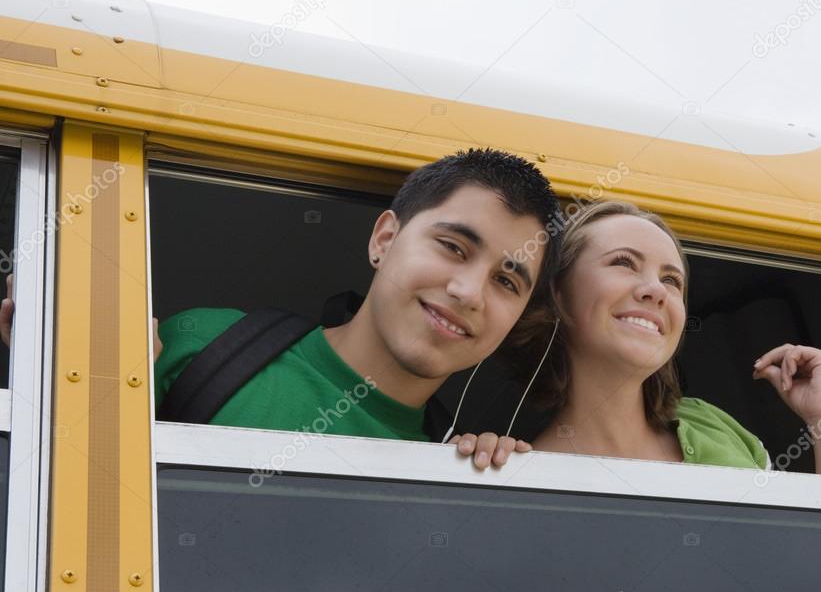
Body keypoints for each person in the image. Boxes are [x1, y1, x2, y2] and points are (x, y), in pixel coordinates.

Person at [3, 148, 563, 470]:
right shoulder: (207, 346)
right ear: (384, 240)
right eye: (453, 247)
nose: (469, 291)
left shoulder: (457, 468)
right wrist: (40, 370)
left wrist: (505, 483)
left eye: (507, 282)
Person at [489, 200, 821, 476]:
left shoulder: (714, 426)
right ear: (558, 293)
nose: (656, 290)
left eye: (671, 280)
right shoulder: (519, 472)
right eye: (623, 263)